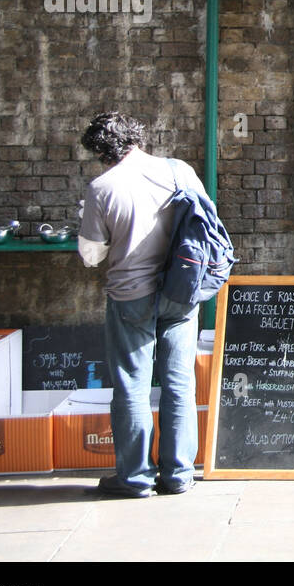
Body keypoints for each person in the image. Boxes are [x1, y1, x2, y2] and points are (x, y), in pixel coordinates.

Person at [78, 112, 211, 497]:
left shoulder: (102, 188)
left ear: (101, 150)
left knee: (132, 386)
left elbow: (91, 255)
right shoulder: (178, 171)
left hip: (131, 295)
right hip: (180, 290)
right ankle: (179, 475)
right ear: (136, 137)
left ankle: (135, 478)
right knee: (178, 382)